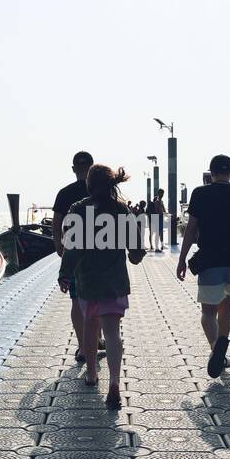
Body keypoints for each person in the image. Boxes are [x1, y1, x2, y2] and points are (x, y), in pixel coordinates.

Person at [58, 165, 145, 409]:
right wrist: (136, 256)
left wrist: (65, 274)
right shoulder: (121, 210)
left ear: (88, 184)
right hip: (115, 283)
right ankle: (115, 382)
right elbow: (136, 249)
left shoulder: (78, 210)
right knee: (112, 333)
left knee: (90, 326)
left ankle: (92, 375)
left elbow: (71, 247)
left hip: (87, 280)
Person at [176, 154, 230, 377]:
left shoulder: (200, 194)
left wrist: (181, 259)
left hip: (210, 260)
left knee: (208, 312)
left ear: (211, 173)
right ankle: (221, 348)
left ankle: (215, 350)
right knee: (225, 305)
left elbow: (191, 229)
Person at [53, 151, 97, 363]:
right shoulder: (103, 191)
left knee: (77, 300)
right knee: (99, 300)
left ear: (73, 169)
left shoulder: (64, 193)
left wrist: (58, 244)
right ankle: (96, 339)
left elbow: (57, 222)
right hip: (101, 255)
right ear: (93, 166)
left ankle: (82, 346)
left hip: (75, 256)